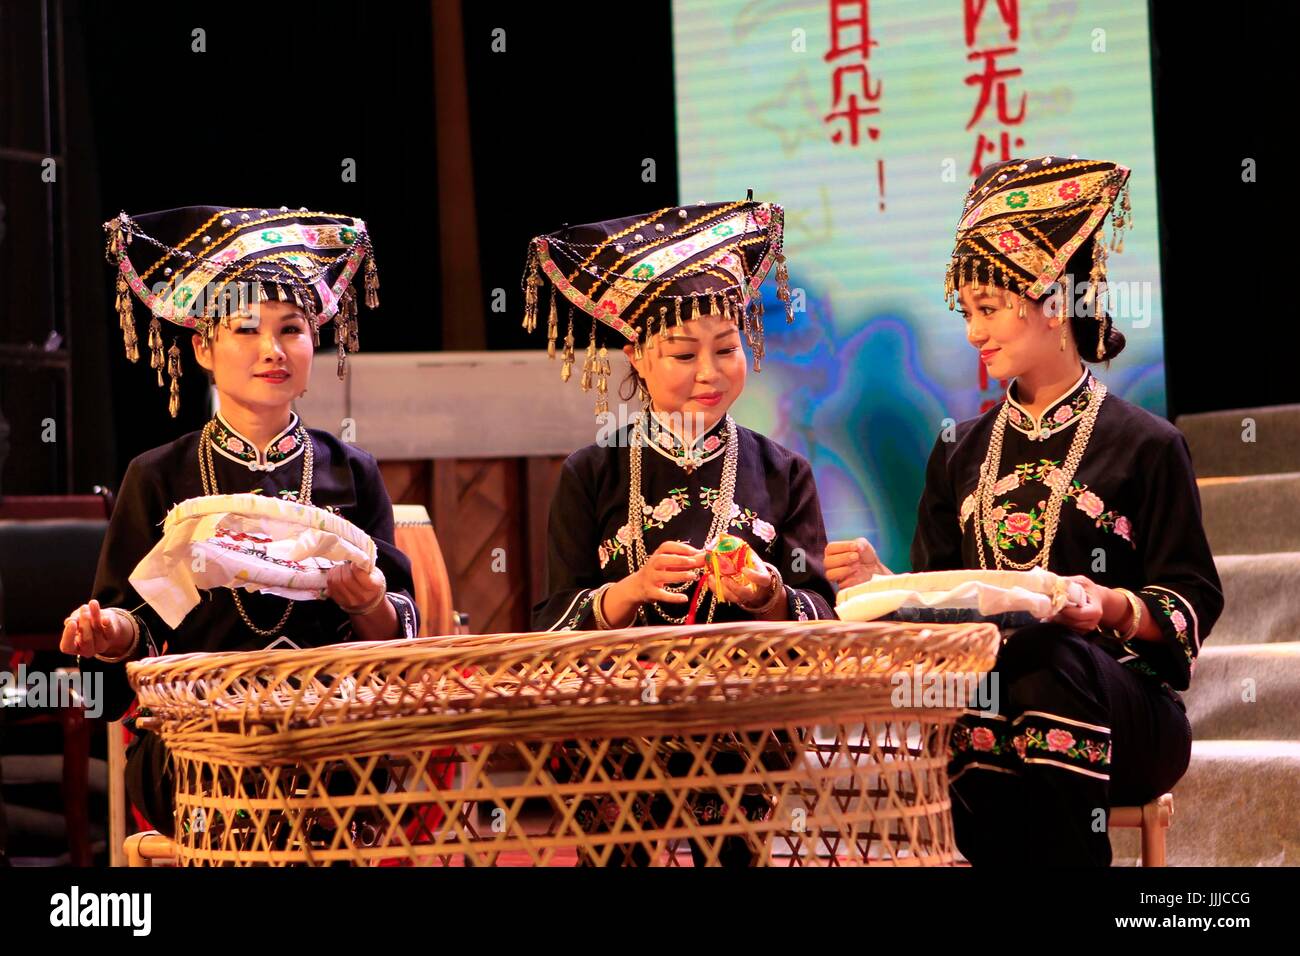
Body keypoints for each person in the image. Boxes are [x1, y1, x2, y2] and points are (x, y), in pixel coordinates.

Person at [826, 157, 1223, 865]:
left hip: (1125, 704)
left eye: (988, 308)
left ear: (1053, 301)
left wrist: (1108, 605)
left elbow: (1191, 598)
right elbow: (942, 596)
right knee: (973, 692)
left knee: (1044, 663)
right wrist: (882, 581)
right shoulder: (959, 453)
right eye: (967, 312)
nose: (975, 332)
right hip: (997, 694)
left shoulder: (1146, 444)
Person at [61, 206, 418, 836]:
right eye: (247, 330)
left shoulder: (352, 470)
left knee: (337, 773)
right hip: (197, 744)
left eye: (293, 329)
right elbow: (133, 625)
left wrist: (368, 606)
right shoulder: (158, 476)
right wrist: (107, 632)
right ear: (202, 346)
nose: (273, 350)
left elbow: (395, 638)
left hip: (326, 737)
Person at [526, 197, 836, 865]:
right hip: (618, 720)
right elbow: (551, 626)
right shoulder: (591, 471)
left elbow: (822, 616)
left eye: (726, 349)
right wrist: (630, 590)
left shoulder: (783, 471)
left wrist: (767, 594)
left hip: (742, 718)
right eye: (683, 353)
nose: (709, 372)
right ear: (636, 355)